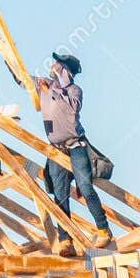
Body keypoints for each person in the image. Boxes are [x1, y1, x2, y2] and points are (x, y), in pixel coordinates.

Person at [34, 53, 112, 253]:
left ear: (66, 70)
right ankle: (65, 240)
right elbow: (22, 80)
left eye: (58, 64)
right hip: (56, 150)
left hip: (76, 147)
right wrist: (10, 61)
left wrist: (52, 91)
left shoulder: (74, 91)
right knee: (60, 195)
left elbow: (71, 108)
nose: (53, 66)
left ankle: (103, 229)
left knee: (85, 187)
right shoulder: (47, 86)